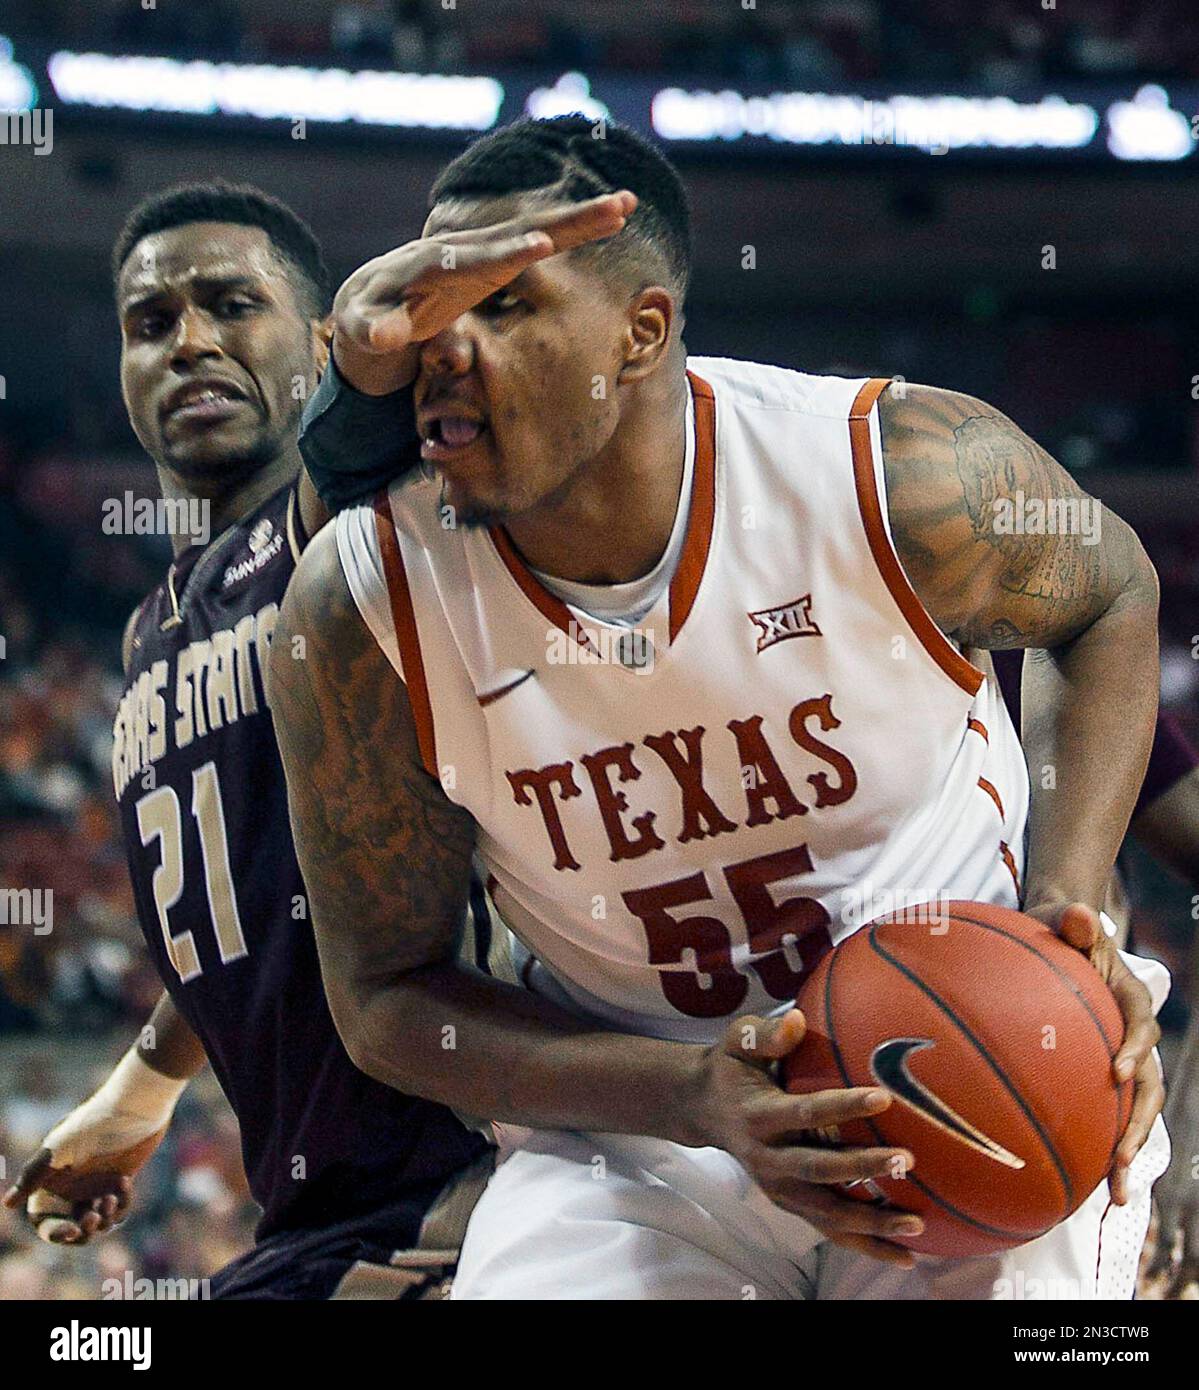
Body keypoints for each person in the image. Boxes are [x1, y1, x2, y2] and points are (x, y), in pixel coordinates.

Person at [273, 116, 1170, 1299]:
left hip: (970, 1060)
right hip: (635, 1127)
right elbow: (384, 1001)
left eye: (505, 306)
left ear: (639, 332)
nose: (445, 347)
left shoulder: (887, 473)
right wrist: (688, 1095)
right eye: (432, 310)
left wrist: (1059, 915)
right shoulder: (360, 609)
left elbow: (1105, 592)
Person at [3, 181, 492, 1300]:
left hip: (465, 1178)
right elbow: (271, 900)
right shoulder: (149, 629)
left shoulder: (359, 527)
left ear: (319, 343)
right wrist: (135, 1090)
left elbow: (358, 442)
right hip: (318, 1205)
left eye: (231, 304)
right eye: (151, 323)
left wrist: (381, 348)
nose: (191, 343)